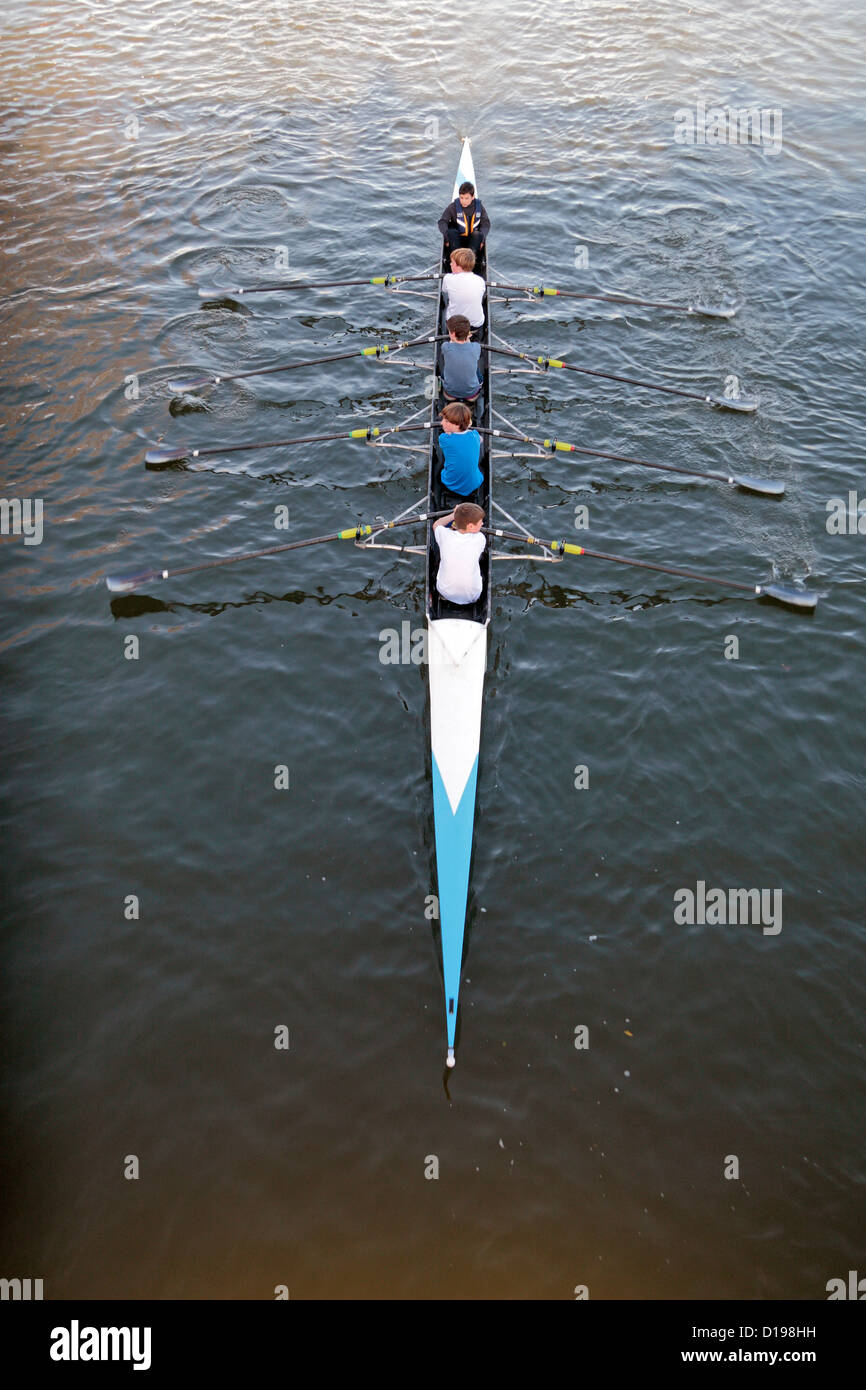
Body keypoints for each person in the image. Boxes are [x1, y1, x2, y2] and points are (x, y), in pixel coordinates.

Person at [433, 502, 486, 605]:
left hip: (445, 592)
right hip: (473, 596)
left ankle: (443, 598)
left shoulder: (444, 534)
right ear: (470, 526)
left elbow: (437, 524)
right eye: (480, 522)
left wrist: (453, 515)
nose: (483, 524)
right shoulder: (480, 538)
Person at [437, 401, 482, 504]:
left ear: (457, 425)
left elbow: (445, 442)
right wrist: (467, 426)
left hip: (451, 486)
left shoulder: (444, 439)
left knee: (439, 470)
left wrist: (447, 433)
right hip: (475, 484)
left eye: (447, 421)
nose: (441, 423)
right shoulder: (475, 435)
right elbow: (481, 440)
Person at [437, 180, 490, 257]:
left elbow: (486, 224)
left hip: (473, 239)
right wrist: (446, 237)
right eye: (461, 198)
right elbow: (442, 222)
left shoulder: (480, 207)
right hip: (457, 239)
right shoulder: (453, 207)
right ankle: (457, 258)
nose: (463, 201)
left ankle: (471, 260)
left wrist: (483, 239)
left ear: (473, 197)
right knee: (451, 232)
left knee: (478, 235)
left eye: (466, 198)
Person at [441, 248, 485, 334]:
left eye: (452, 262)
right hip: (475, 326)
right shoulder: (480, 280)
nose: (450, 264)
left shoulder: (448, 278)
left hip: (454, 326)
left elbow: (444, 291)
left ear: (458, 266)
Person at [441, 314, 482, 403]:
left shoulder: (445, 347)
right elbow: (469, 347)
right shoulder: (476, 347)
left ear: (452, 334)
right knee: (476, 369)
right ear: (468, 333)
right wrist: (466, 340)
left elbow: (452, 343)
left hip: (450, 393)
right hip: (471, 394)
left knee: (445, 368)